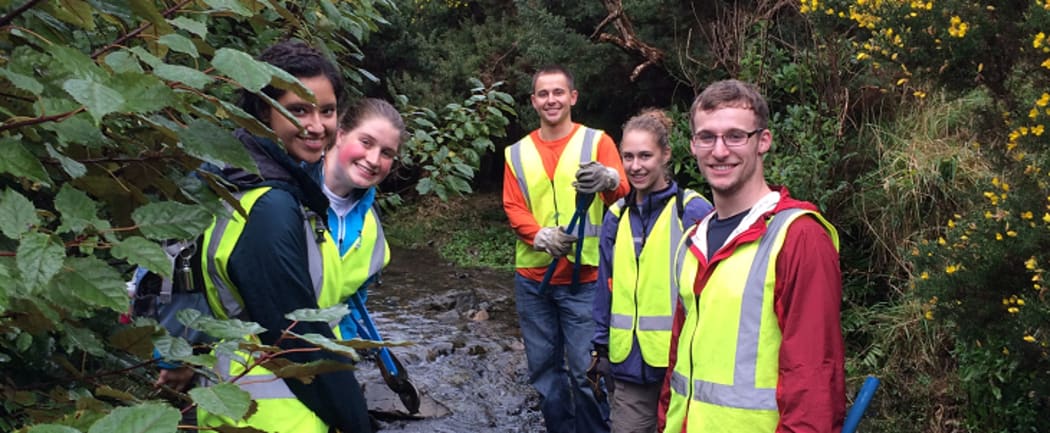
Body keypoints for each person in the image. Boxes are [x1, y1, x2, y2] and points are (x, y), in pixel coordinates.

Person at [189, 40, 373, 433]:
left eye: (327, 111)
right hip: (280, 415)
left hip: (237, 400)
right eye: (297, 110)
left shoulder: (234, 179)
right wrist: (358, 423)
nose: (317, 126)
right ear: (261, 111)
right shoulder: (270, 208)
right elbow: (300, 341)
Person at [657, 79, 845, 433]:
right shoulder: (692, 241)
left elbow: (814, 377)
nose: (720, 150)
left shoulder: (798, 236)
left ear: (763, 141)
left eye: (735, 136)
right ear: (693, 146)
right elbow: (678, 365)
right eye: (707, 137)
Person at [502, 64, 629, 433]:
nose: (551, 99)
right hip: (533, 280)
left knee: (586, 372)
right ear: (533, 101)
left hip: (585, 280)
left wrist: (610, 179)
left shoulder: (597, 141)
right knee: (544, 374)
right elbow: (513, 206)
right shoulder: (517, 152)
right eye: (543, 93)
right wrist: (539, 235)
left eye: (558, 92)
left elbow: (622, 199)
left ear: (572, 97)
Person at [589, 109, 713, 433]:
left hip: (682, 367)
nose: (635, 166)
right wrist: (600, 348)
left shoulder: (693, 211)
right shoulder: (616, 216)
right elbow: (605, 289)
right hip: (628, 367)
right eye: (628, 156)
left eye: (645, 155)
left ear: (665, 155)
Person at [312, 98, 403, 338]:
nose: (373, 160)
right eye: (366, 142)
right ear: (340, 135)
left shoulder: (371, 228)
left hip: (328, 360)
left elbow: (350, 308)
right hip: (258, 360)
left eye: (386, 153)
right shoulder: (287, 197)